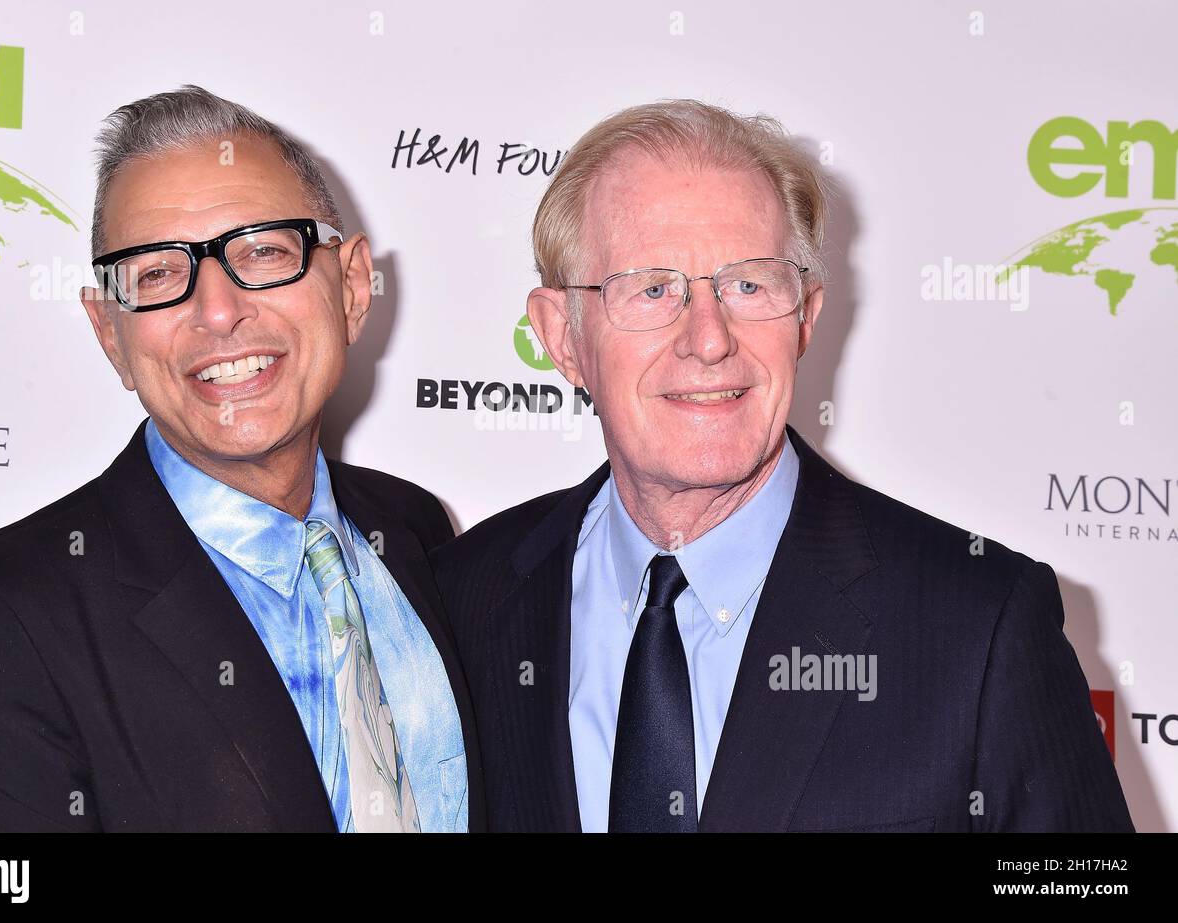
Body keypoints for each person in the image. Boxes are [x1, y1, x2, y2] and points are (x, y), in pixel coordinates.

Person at [432, 99, 1132, 833]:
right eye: (652, 289)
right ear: (562, 336)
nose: (709, 339)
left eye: (748, 285)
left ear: (804, 316)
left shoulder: (980, 623)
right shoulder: (461, 601)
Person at [0, 86, 480, 832]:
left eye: (264, 249)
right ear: (110, 335)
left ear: (353, 287)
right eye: (157, 274)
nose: (220, 310)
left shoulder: (416, 531)